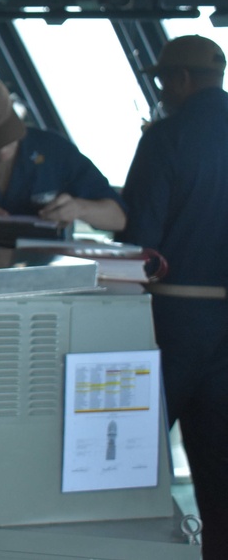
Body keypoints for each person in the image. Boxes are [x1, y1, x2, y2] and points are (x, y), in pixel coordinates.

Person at [120, 34, 228, 560]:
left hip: (172, 318)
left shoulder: (166, 138)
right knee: (222, 473)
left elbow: (141, 239)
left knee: (131, 459)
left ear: (181, 80)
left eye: (163, 81)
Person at [0, 77, 126, 232]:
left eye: (7, 140)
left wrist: (80, 208)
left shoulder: (55, 151)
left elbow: (119, 218)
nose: (1, 153)